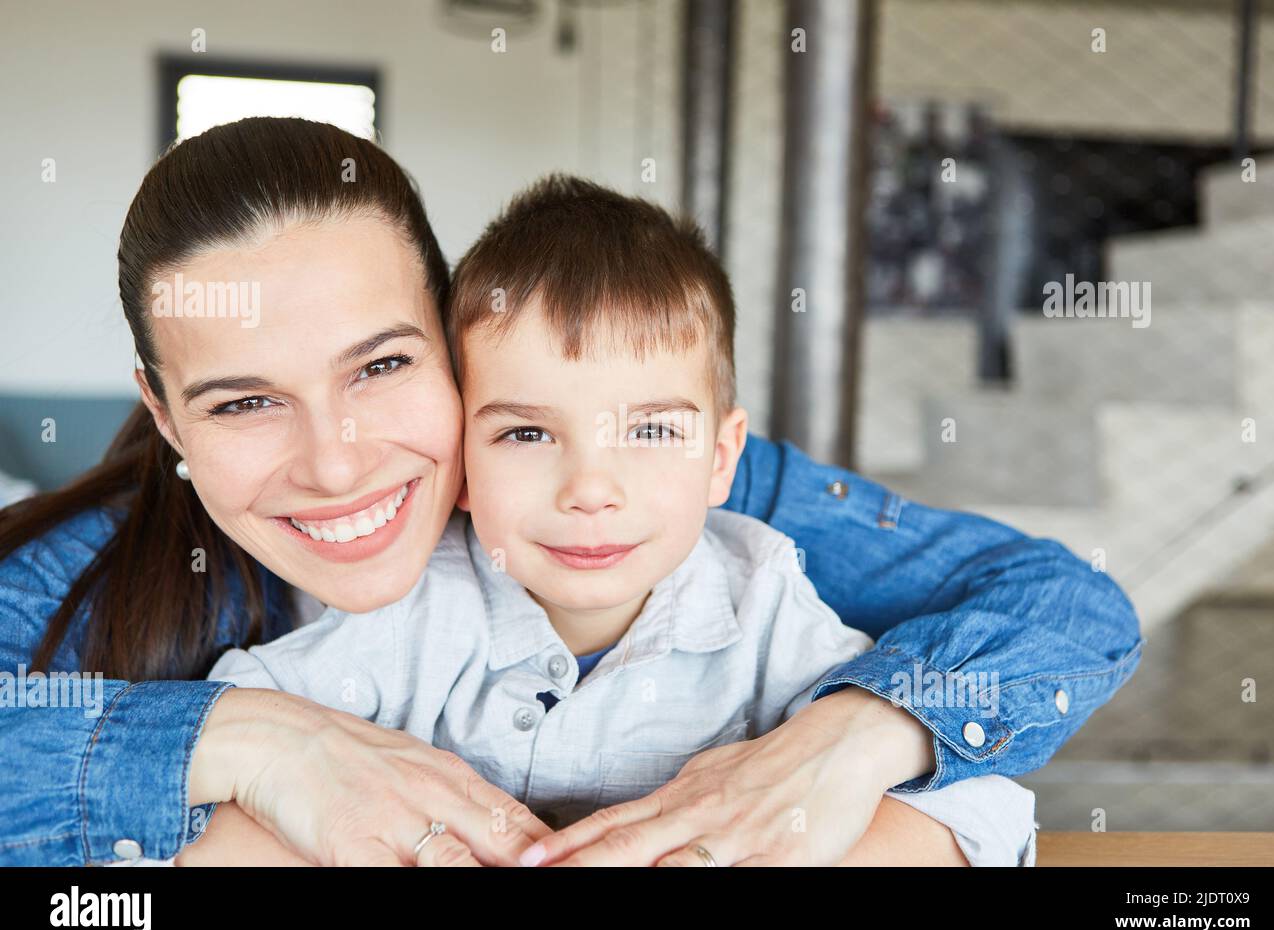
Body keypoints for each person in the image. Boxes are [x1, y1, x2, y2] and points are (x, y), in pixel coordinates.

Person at [0, 118, 1142, 867]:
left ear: (457, 344)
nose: (335, 463)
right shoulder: (99, 564)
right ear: (165, 416)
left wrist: (857, 734)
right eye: (243, 402)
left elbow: (1065, 606)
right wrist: (249, 743)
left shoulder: (690, 507)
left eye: (382, 365)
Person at [195, 175, 1038, 867]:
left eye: (650, 430)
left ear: (720, 457)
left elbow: (985, 814)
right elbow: (215, 760)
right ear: (458, 461)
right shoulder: (410, 613)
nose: (590, 488)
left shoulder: (764, 599)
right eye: (527, 433)